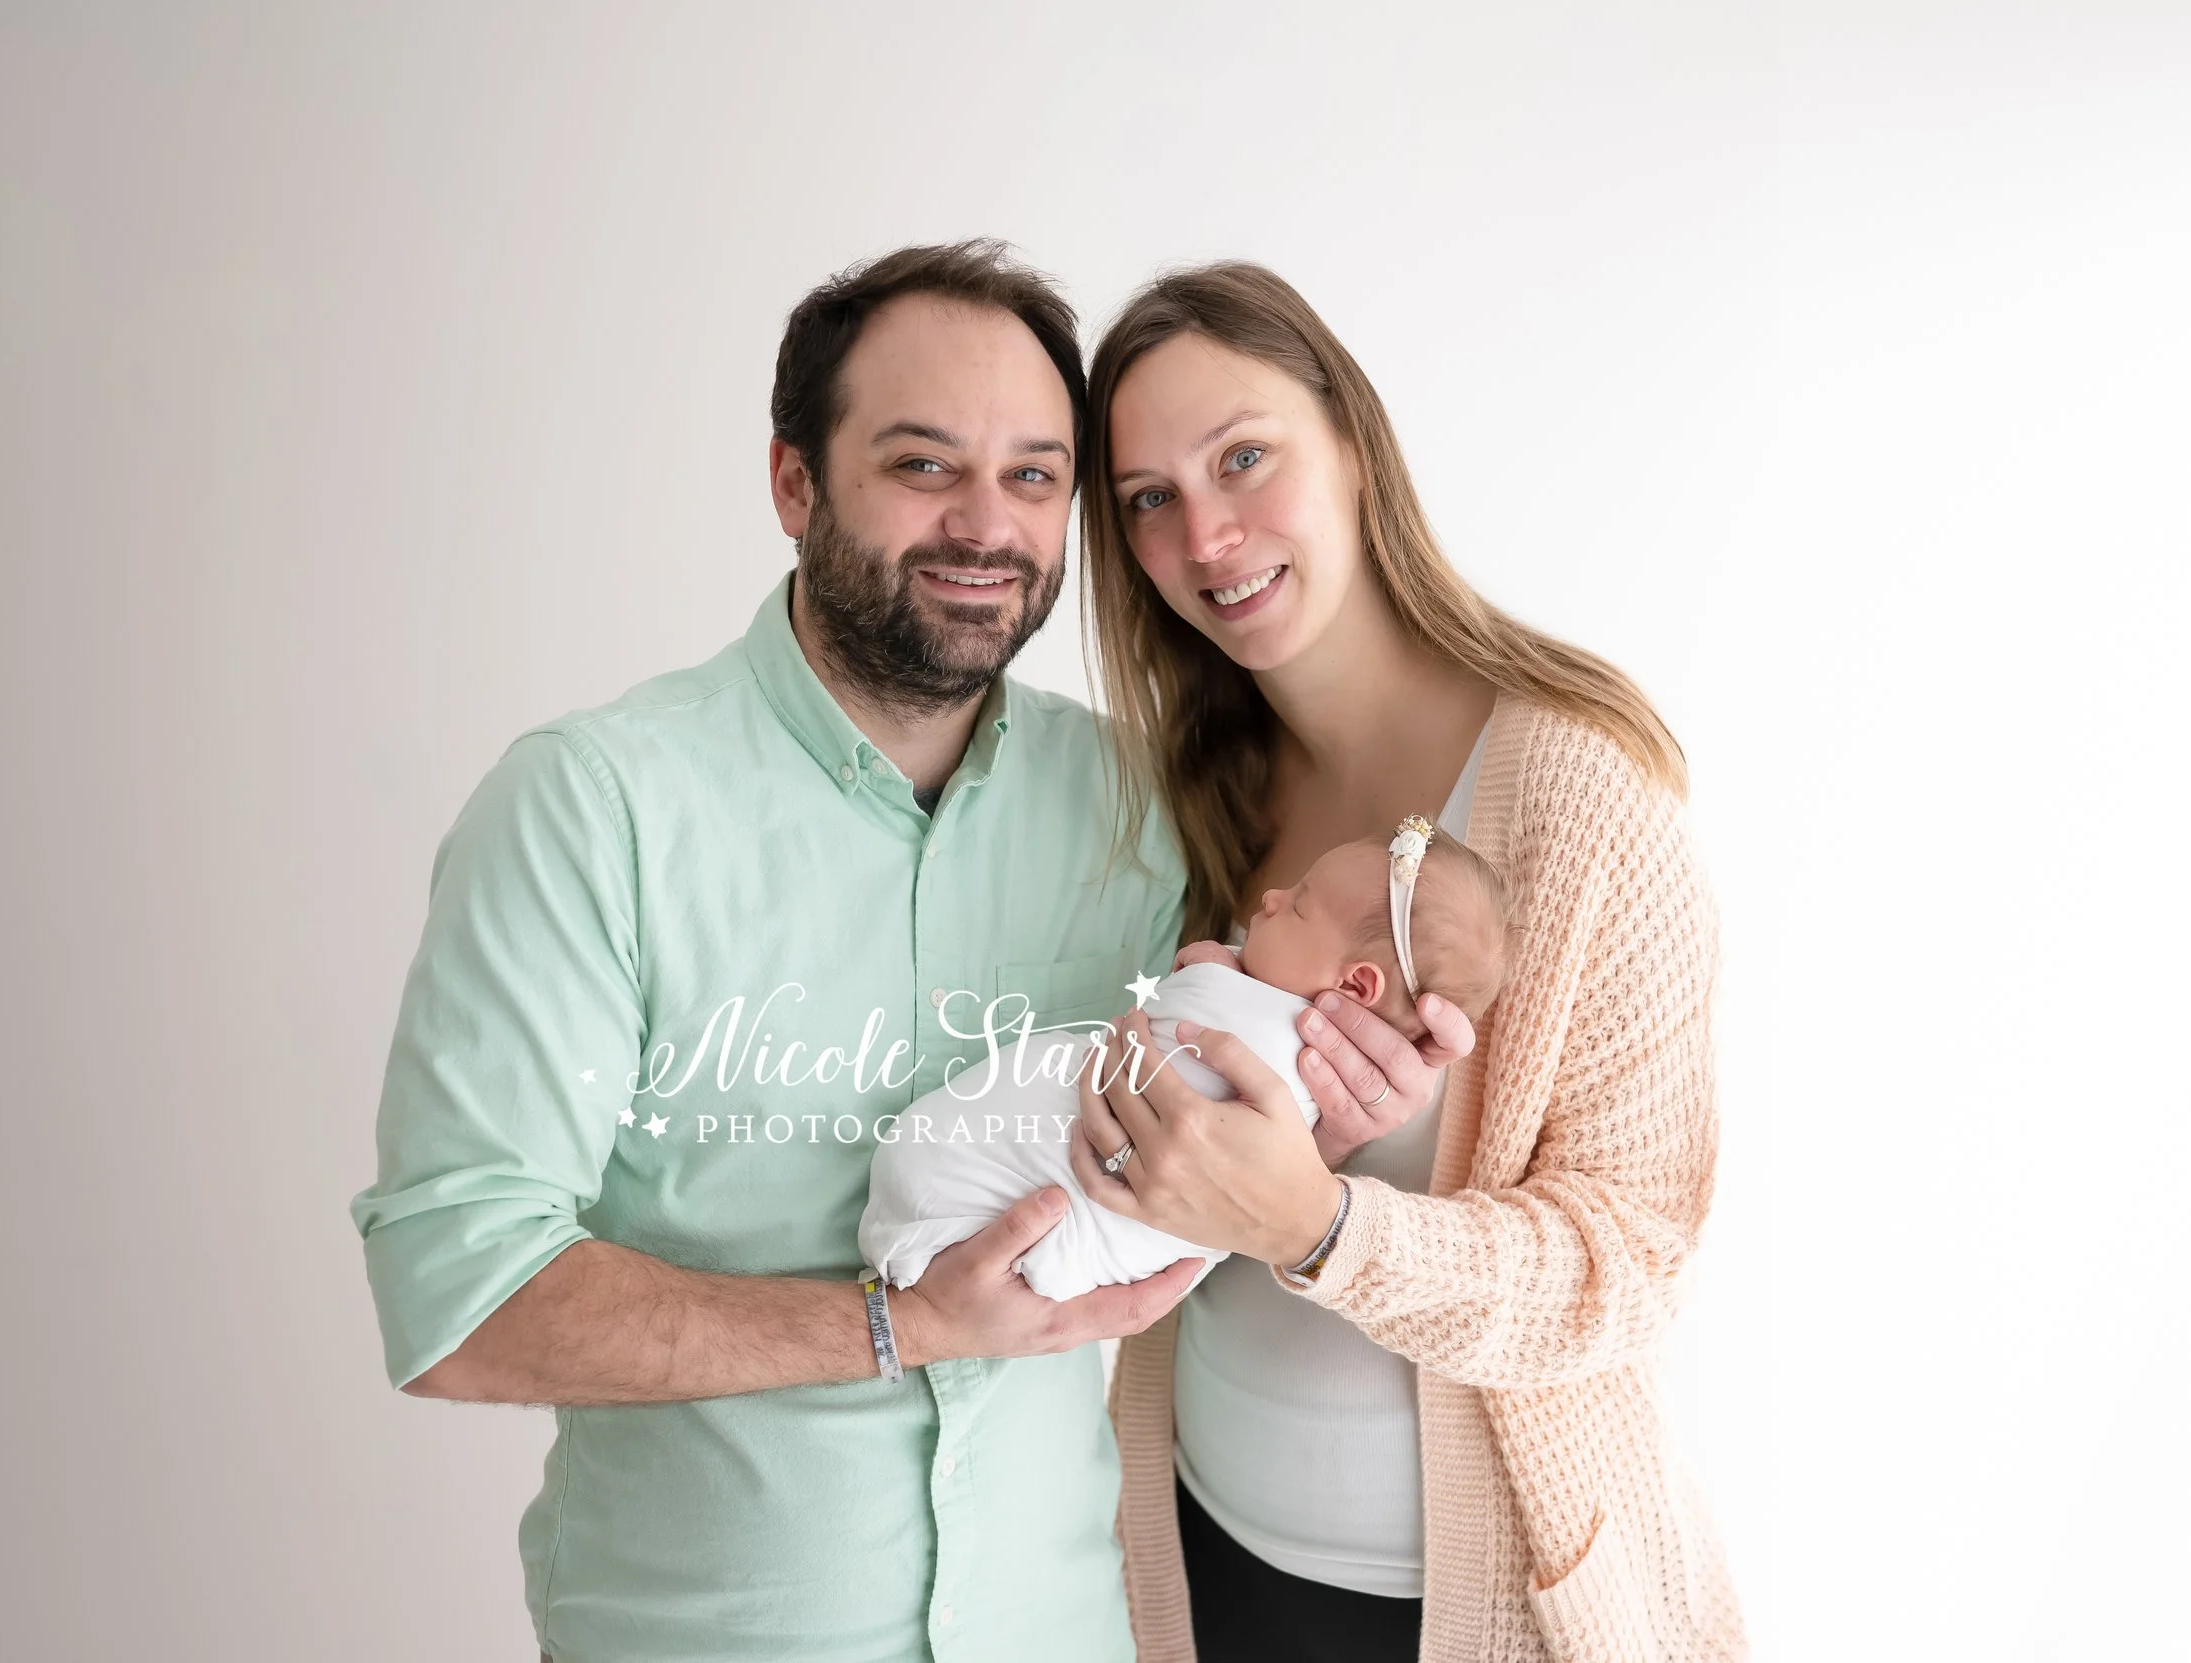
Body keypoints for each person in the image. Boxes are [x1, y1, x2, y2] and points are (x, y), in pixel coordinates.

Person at [354, 241, 1225, 1663]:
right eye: (922, 463)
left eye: (1032, 474)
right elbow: (461, 1299)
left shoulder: (1136, 807)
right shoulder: (596, 806)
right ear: (794, 485)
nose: (984, 526)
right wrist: (894, 1324)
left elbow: (1189, 1167)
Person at [1067, 263, 1746, 1662]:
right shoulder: (1192, 801)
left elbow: (1633, 1265)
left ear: (1356, 448)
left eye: (1243, 456)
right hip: (1199, 1562)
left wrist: (1326, 1225)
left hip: (1479, 1603)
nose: (1207, 530)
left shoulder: (1576, 792)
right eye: (1148, 496)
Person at [858, 824, 1510, 1300]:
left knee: (964, 1148)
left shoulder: (1265, 1029)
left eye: (1300, 903)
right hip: (1136, 1244)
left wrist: (1214, 966)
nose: (1272, 898)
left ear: (1356, 989)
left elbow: (1205, 1015)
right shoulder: (1303, 1046)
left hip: (1121, 1203)